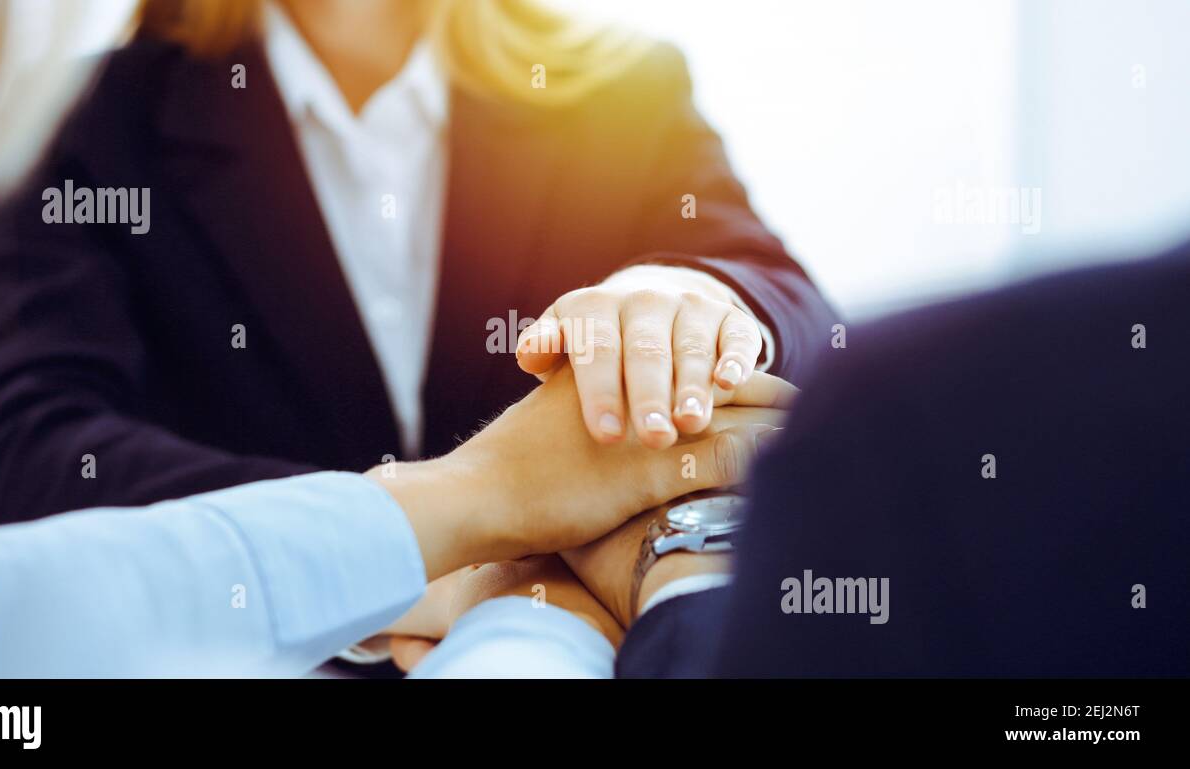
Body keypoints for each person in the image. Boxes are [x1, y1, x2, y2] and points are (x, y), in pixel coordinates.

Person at [0, 0, 792, 677]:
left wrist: (688, 296)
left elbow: (789, 306)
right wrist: (413, 552)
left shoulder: (620, 82)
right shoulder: (86, 116)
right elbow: (22, 451)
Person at [396, 240, 1190, 678]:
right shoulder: (936, 412)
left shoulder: (611, 78)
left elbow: (771, 275)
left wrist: (680, 305)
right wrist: (464, 510)